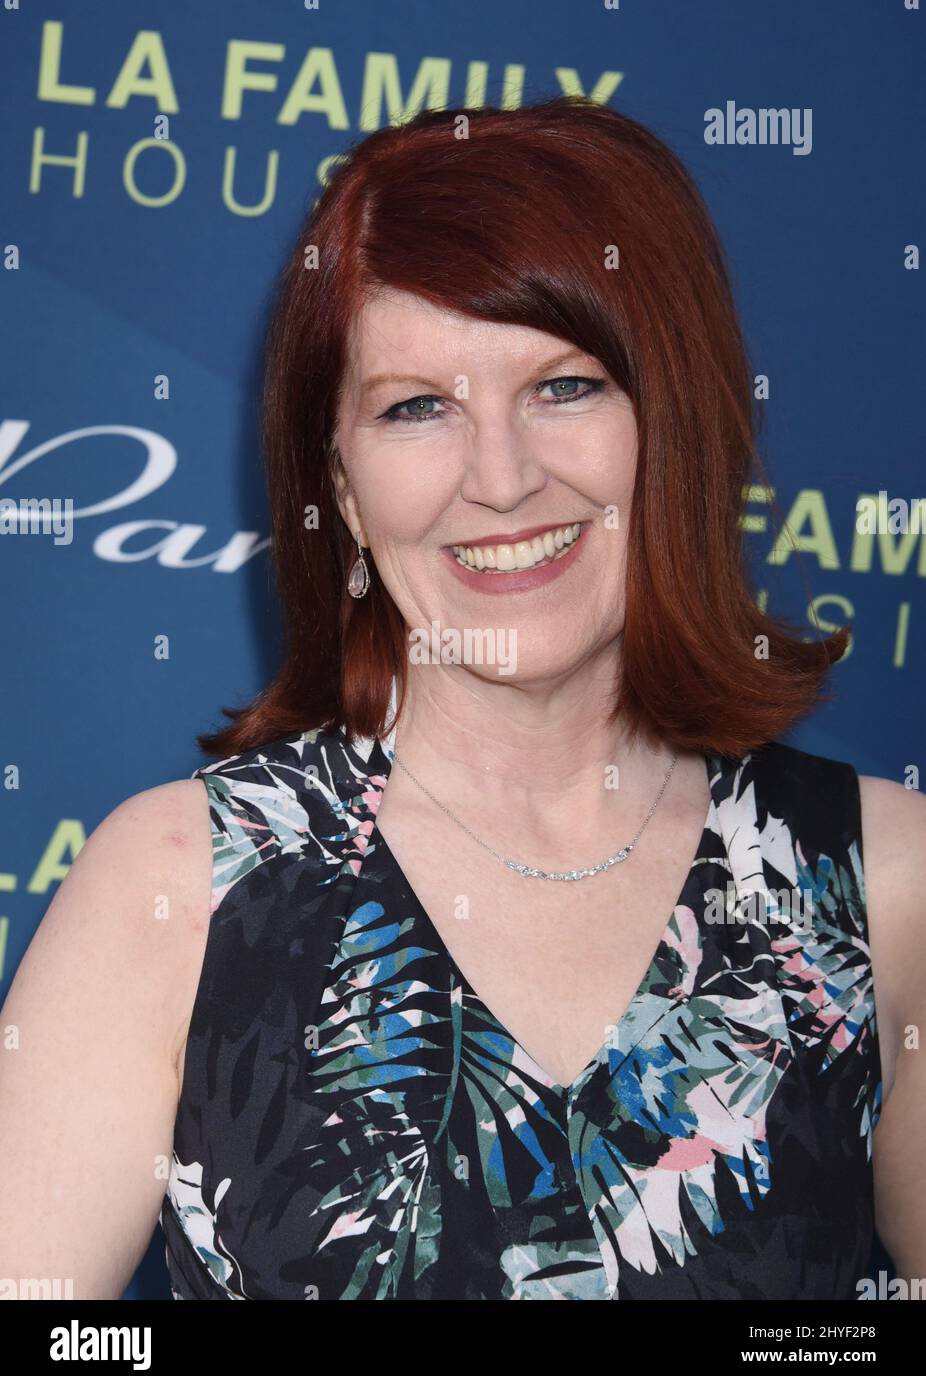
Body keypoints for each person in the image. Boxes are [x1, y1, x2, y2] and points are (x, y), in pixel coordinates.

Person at [1, 96, 923, 1302]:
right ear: (339, 477)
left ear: (678, 421)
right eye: (415, 407)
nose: (499, 477)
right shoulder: (178, 887)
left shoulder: (881, 884)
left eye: (564, 386)